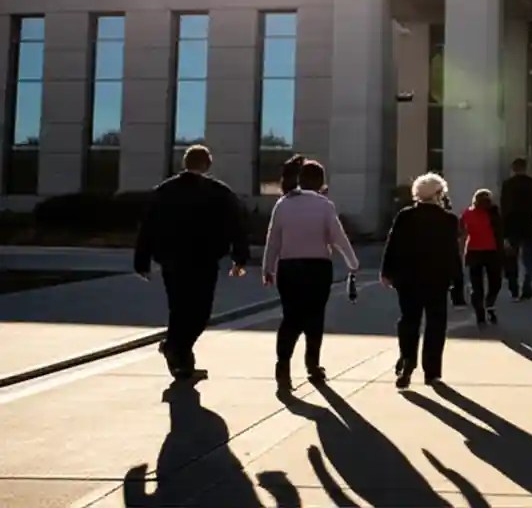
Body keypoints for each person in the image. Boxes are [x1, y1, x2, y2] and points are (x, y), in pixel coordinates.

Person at [134, 145, 250, 379]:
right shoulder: (219, 192)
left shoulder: (164, 191)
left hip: (172, 260)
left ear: (184, 163)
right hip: (203, 260)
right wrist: (239, 257)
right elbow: (236, 226)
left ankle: (178, 354)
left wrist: (142, 260)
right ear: (207, 165)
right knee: (200, 311)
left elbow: (148, 227)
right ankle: (180, 356)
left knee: (179, 309)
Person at [262, 157, 360, 387]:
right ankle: (312, 365)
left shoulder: (283, 204)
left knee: (290, 317)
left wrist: (268, 267)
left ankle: (283, 365)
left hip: (288, 267)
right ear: (321, 182)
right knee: (314, 317)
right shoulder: (325, 205)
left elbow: (273, 238)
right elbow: (339, 237)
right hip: (317, 267)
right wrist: (352, 262)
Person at [381, 173, 462, 388]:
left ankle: (408, 361)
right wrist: (457, 281)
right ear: (437, 194)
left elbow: (393, 244)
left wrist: (386, 271)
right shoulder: (448, 219)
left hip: (407, 278)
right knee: (436, 323)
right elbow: (452, 254)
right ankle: (431, 371)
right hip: (437, 279)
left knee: (409, 320)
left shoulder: (405, 216)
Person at [460, 189, 505, 326]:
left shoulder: (491, 213)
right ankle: (486, 306)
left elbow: (462, 233)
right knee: (492, 282)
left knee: (480, 284)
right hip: (486, 252)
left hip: (479, 251)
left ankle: (484, 308)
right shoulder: (471, 213)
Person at [500, 158, 532, 301]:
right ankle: (527, 285)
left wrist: (503, 231)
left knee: (511, 258)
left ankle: (514, 289)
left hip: (513, 226)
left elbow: (505, 208)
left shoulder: (508, 185)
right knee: (529, 257)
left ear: (513, 169)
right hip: (530, 225)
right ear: (525, 168)